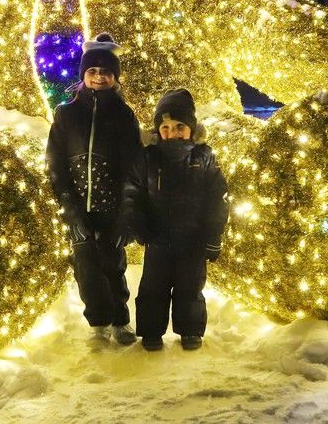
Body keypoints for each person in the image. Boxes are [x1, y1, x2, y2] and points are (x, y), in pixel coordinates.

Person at [46, 33, 142, 345]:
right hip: (78, 205)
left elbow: (134, 167)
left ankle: (120, 321)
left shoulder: (124, 115)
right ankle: (98, 324)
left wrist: (127, 212)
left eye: (106, 72)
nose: (99, 76)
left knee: (113, 265)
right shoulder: (66, 113)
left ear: (115, 77)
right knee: (86, 269)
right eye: (93, 71)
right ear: (84, 74)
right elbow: (55, 162)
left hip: (111, 207)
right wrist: (68, 206)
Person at [123, 89, 229, 351]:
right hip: (158, 239)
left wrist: (213, 235)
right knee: (153, 289)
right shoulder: (148, 157)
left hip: (193, 240)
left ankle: (190, 330)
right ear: (158, 130)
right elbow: (132, 193)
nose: (172, 133)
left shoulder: (203, 157)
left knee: (190, 288)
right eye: (166, 128)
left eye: (180, 127)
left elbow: (217, 199)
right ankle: (151, 332)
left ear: (191, 128)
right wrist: (139, 226)